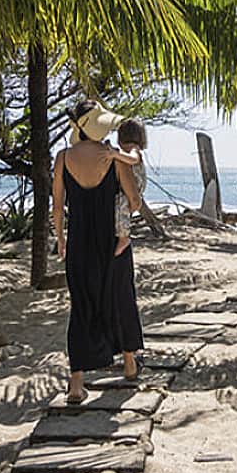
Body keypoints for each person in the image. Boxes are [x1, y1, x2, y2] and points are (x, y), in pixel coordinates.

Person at [52, 100, 146, 404]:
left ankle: (76, 383)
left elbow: (57, 206)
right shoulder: (112, 157)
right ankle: (129, 363)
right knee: (120, 298)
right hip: (112, 243)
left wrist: (61, 239)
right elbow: (134, 200)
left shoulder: (62, 158)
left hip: (78, 243)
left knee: (81, 308)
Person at [107, 118, 147, 258]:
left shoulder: (133, 150)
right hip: (133, 184)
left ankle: (124, 237)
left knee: (121, 206)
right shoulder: (125, 151)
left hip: (137, 183)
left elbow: (133, 159)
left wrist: (115, 154)